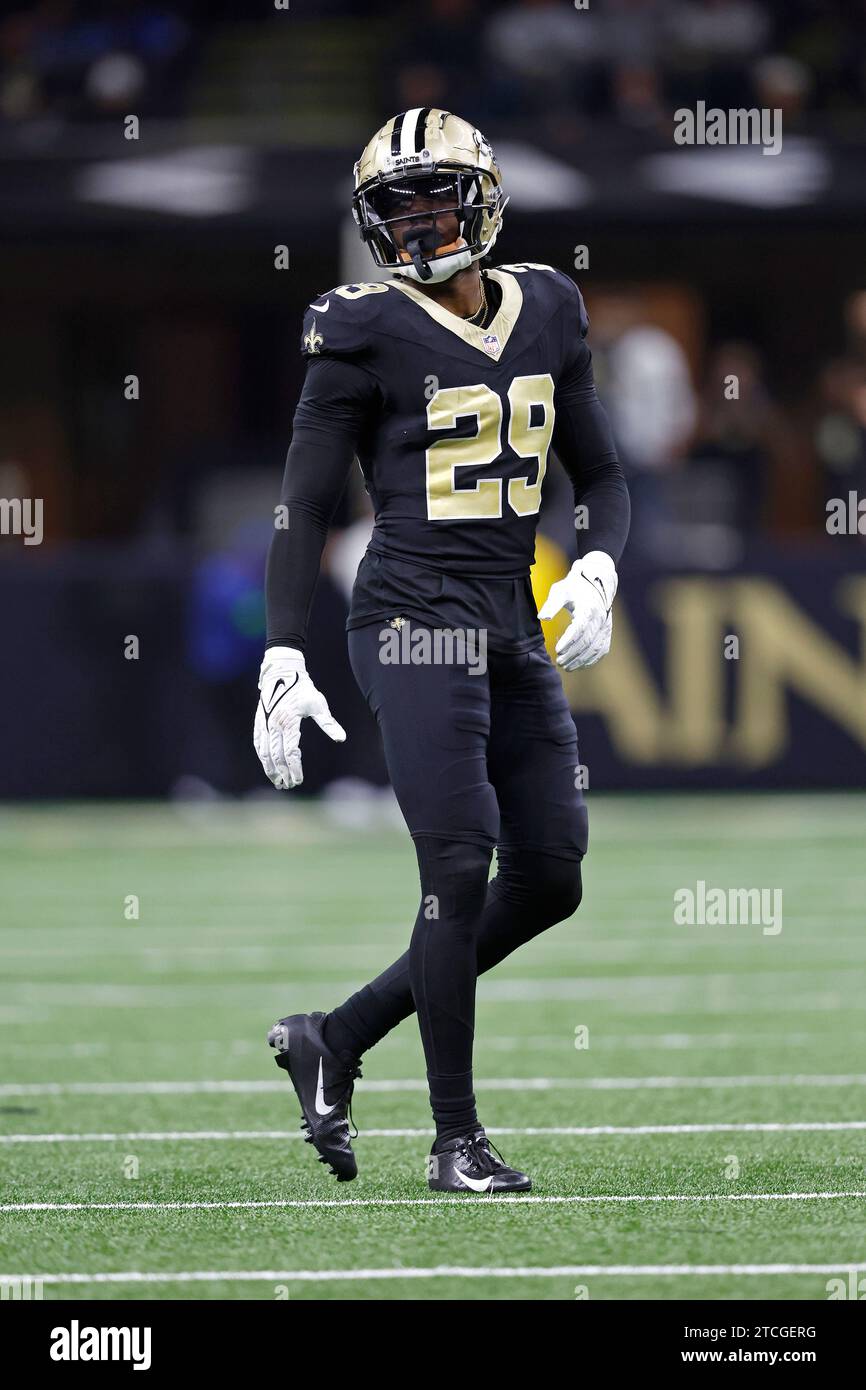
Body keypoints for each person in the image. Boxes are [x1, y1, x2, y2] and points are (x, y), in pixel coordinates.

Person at [255, 109, 629, 1193]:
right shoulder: (358, 326)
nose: (421, 225)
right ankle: (453, 1139)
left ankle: (334, 1034)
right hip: (412, 618)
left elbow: (599, 473)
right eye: (398, 208)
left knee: (550, 873)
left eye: (437, 198)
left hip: (507, 615)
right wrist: (284, 650)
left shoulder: (549, 303)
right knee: (457, 866)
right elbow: (303, 503)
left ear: (484, 195)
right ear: (375, 227)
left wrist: (600, 563)